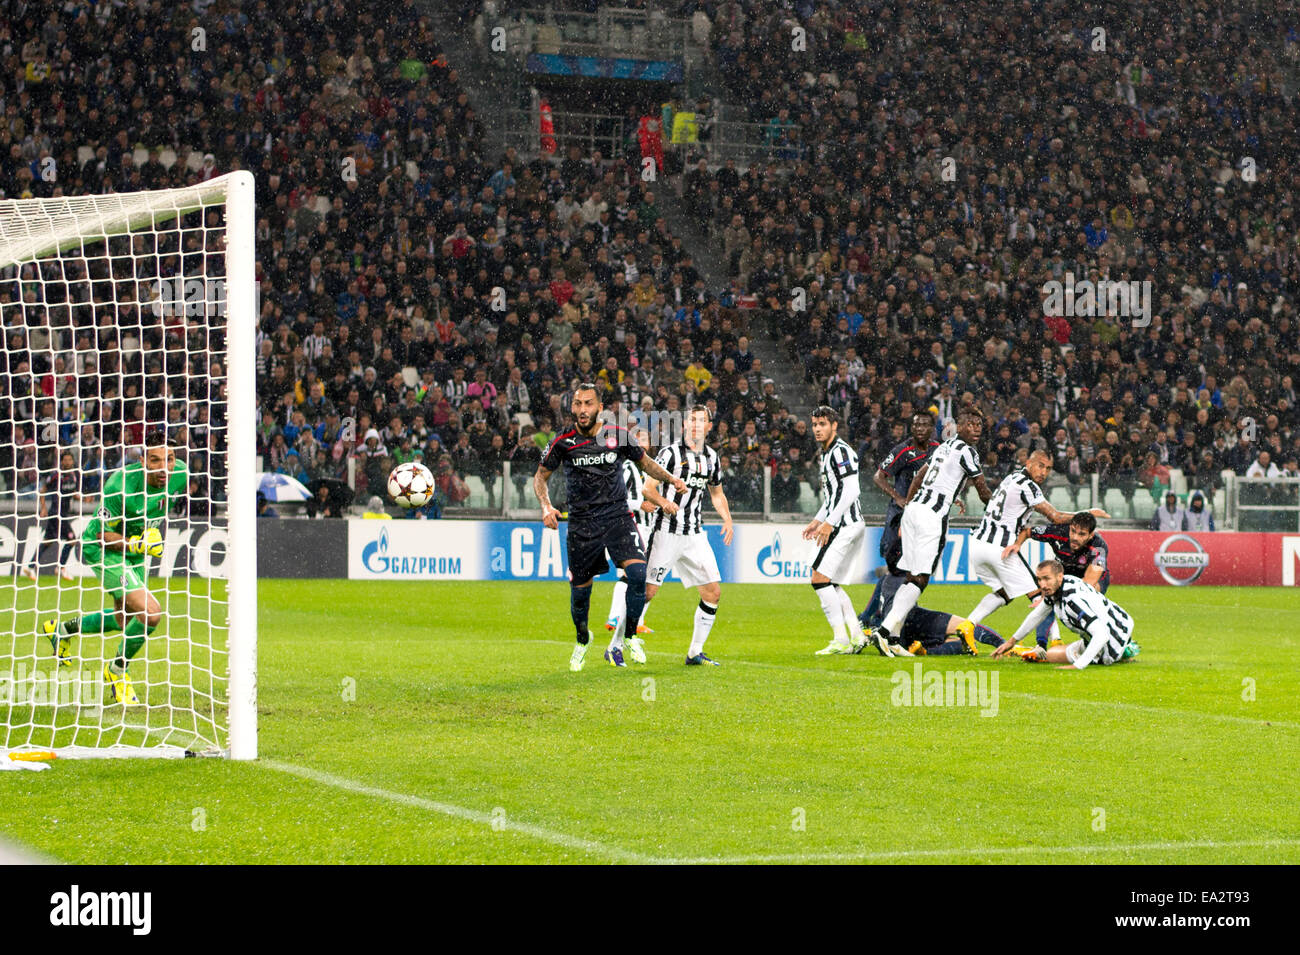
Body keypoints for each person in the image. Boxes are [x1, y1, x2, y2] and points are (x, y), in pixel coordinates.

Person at [533, 383, 685, 672]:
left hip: (617, 517)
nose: (582, 410)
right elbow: (540, 477)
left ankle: (629, 637)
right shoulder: (563, 441)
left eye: (588, 403)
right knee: (580, 592)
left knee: (639, 574)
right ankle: (582, 638)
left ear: (599, 407)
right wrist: (545, 506)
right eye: (577, 404)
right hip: (582, 524)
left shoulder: (618, 436)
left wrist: (671, 480)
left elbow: (646, 464)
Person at [40, 437, 188, 705]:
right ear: (142, 461)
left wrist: (141, 542)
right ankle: (118, 670)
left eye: (169, 459)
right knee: (150, 613)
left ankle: (61, 630)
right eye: (154, 460)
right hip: (104, 549)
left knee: (124, 620)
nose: (163, 468)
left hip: (136, 551)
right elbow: (100, 535)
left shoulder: (181, 475)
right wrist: (135, 542)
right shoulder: (119, 486)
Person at [872, 409, 991, 655]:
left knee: (910, 576)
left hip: (914, 511)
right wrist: (999, 508)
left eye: (980, 424)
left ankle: (893, 639)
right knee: (920, 578)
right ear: (960, 425)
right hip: (931, 517)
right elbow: (982, 490)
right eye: (971, 424)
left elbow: (918, 478)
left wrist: (908, 506)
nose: (977, 428)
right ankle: (883, 631)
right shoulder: (968, 452)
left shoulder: (943, 447)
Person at [965, 449, 1108, 631]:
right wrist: (1087, 513)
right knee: (1042, 594)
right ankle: (1053, 641)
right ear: (1028, 464)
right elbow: (1055, 517)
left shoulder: (1011, 477)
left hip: (977, 544)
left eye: (1048, 469)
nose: (1044, 472)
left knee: (1004, 593)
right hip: (999, 547)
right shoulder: (1028, 486)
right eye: (1040, 466)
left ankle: (967, 625)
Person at [637, 407, 734, 666]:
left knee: (713, 592)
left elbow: (716, 493)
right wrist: (662, 503)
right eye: (691, 419)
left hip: (694, 534)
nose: (695, 424)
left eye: (701, 420)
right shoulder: (670, 453)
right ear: (684, 425)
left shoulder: (712, 458)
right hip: (666, 532)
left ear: (709, 427)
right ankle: (615, 646)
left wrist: (727, 518)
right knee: (647, 593)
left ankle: (694, 653)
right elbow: (648, 488)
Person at [803, 406, 870, 656]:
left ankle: (840, 639)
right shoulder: (827, 452)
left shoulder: (841, 452)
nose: (817, 429)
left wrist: (829, 522)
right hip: (843, 523)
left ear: (834, 425)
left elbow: (852, 490)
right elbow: (834, 495)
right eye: (814, 424)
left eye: (822, 424)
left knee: (818, 579)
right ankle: (856, 636)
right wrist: (818, 519)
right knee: (831, 582)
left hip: (844, 525)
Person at [992, 560, 1139, 667]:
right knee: (1051, 653)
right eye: (1039, 579)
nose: (1042, 585)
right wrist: (1011, 642)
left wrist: (1078, 665)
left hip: (1110, 642)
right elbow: (1037, 615)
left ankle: (1120, 652)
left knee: (1052, 655)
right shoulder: (1062, 585)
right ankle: (1125, 646)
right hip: (1120, 623)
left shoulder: (1072, 600)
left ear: (1059, 577)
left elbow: (1101, 636)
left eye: (1046, 579)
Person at [1004, 511, 1110, 649]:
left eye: (1082, 534)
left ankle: (1107, 639)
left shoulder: (1099, 547)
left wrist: (1062, 597)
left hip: (1090, 578)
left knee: (1088, 597)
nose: (1075, 537)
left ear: (1091, 535)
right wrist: (1017, 545)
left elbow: (1087, 584)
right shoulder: (1058, 531)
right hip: (1063, 570)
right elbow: (1026, 532)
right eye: (1073, 531)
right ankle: (1041, 646)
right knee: (1047, 599)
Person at [860, 567, 1005, 657]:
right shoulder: (912, 574)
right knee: (965, 630)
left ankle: (922, 649)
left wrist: (867, 621)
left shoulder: (887, 578)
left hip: (894, 634)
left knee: (962, 642)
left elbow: (871, 611)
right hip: (911, 620)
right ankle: (1003, 644)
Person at [605, 427, 657, 642]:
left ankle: (637, 621)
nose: (644, 442)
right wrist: (639, 504)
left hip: (649, 527)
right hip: (632, 526)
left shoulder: (651, 469)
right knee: (631, 575)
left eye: (646, 439)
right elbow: (613, 497)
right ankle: (615, 617)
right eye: (640, 439)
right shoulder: (626, 467)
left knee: (647, 575)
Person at [20, 450, 89, 581]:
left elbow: (73, 493)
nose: (68, 462)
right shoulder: (56, 475)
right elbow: (42, 490)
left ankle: (30, 566)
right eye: (66, 460)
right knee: (72, 539)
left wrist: (83, 498)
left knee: (48, 542)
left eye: (70, 460)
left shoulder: (73, 476)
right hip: (56, 513)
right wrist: (43, 508)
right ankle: (61, 568)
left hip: (63, 513)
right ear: (62, 461)